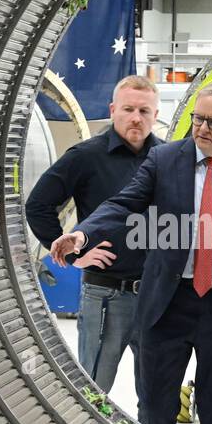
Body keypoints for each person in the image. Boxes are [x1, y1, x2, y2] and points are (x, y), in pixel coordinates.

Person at [50, 81, 212, 424]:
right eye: (198, 119)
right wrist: (83, 233)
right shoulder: (165, 161)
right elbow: (124, 205)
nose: (202, 129)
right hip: (167, 305)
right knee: (156, 409)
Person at [25, 75, 161, 402]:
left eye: (144, 111)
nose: (136, 118)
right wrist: (73, 257)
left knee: (158, 395)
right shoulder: (86, 156)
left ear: (155, 115)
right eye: (128, 109)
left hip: (156, 295)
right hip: (105, 293)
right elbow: (38, 205)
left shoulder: (167, 159)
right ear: (113, 109)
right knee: (92, 392)